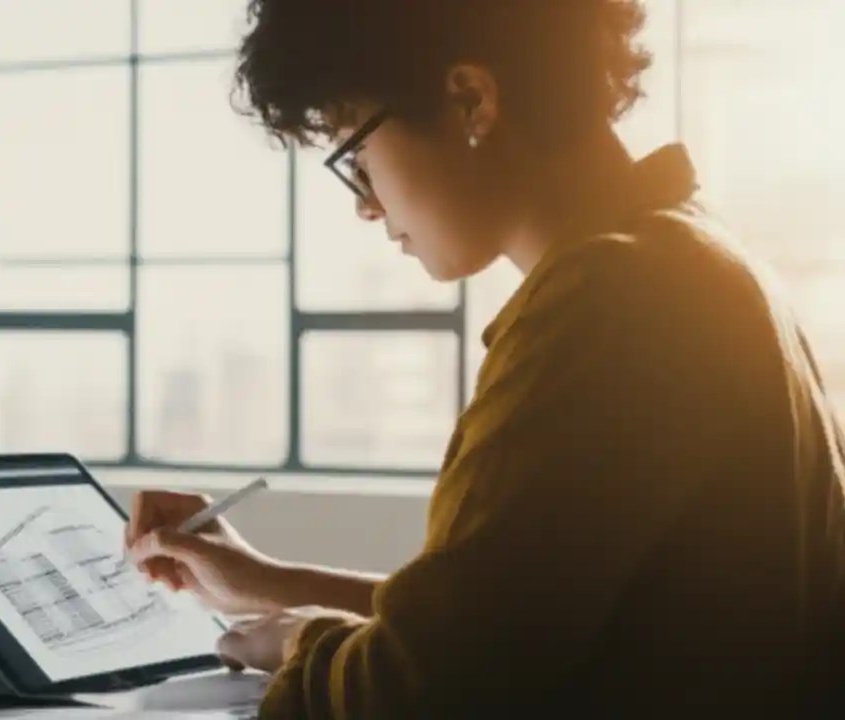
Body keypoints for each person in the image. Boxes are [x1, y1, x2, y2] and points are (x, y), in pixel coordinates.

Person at [125, 0, 845, 716]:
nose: (366, 208)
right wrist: (267, 583)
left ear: (471, 98)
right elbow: (511, 625)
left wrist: (299, 643)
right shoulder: (692, 256)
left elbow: (424, 693)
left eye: (357, 154)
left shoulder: (604, 302)